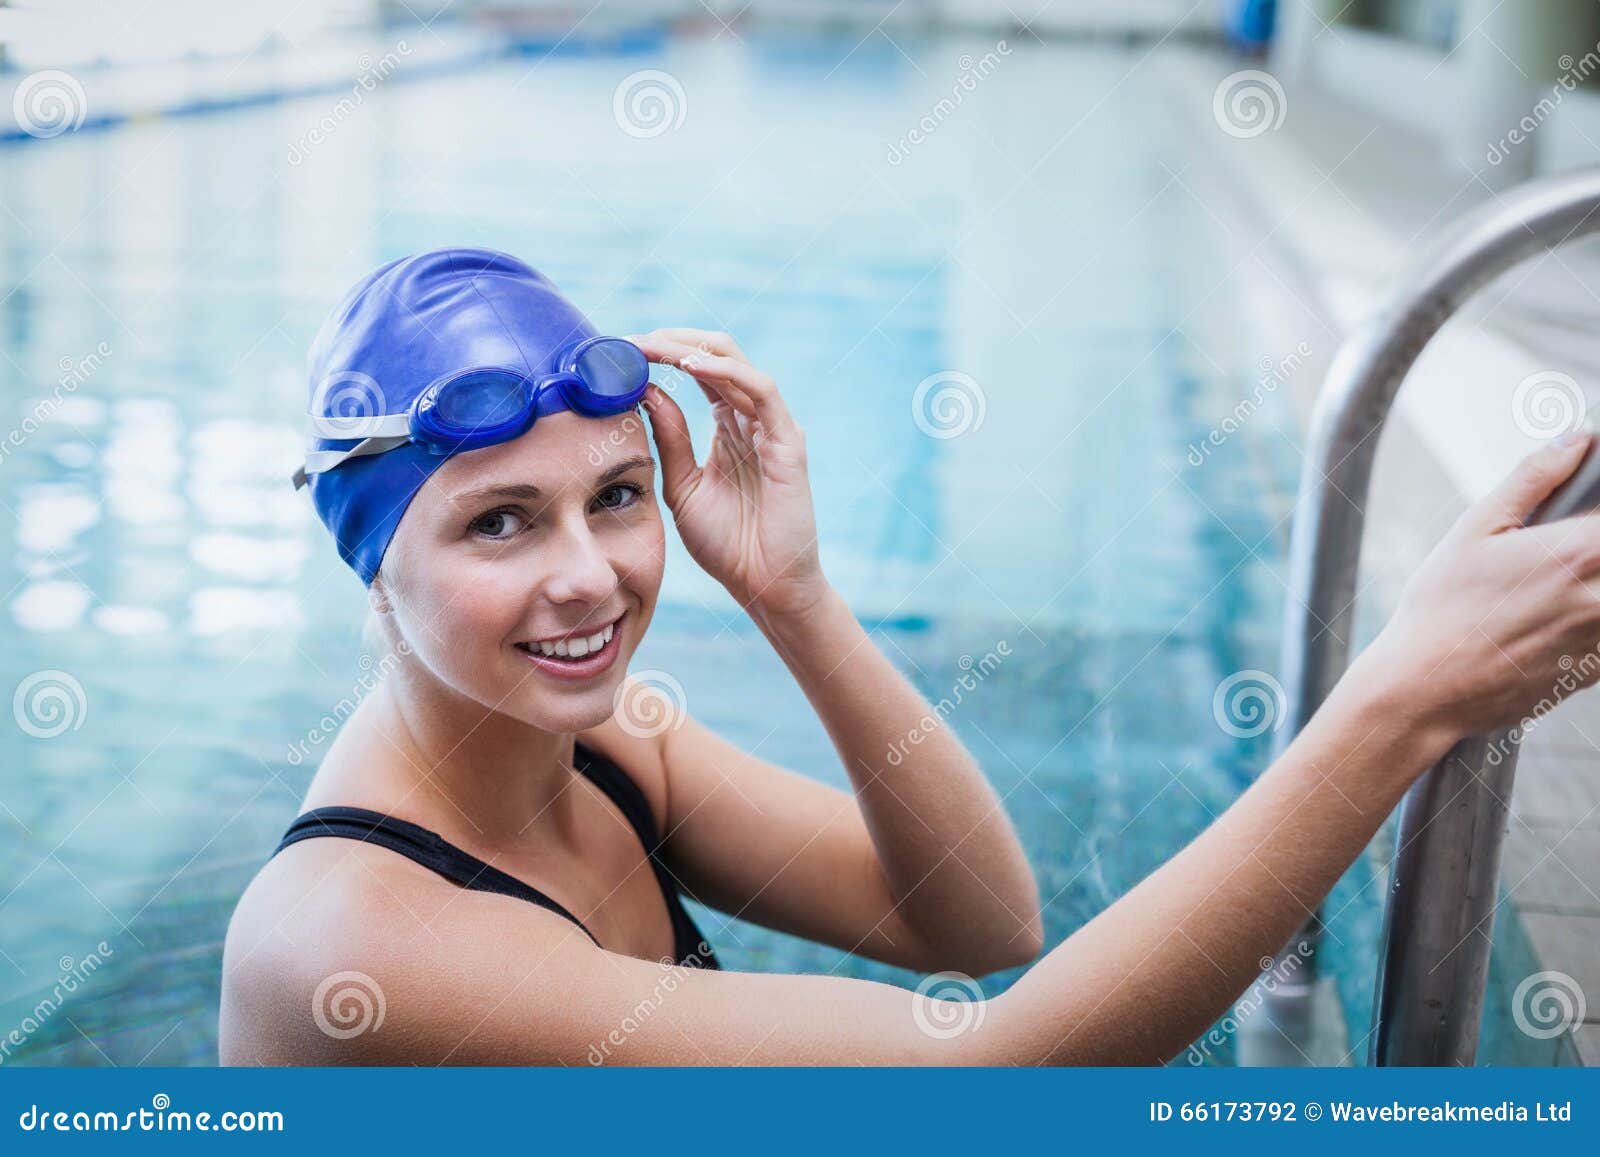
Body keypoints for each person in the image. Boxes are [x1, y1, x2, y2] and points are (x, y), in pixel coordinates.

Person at [220, 247, 1600, 1065]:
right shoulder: (353, 944)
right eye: (500, 522)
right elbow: (998, 1077)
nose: (588, 573)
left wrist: (796, 596)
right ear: (371, 556)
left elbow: (971, 920)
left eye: (617, 495)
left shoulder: (606, 739)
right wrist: (1397, 705)